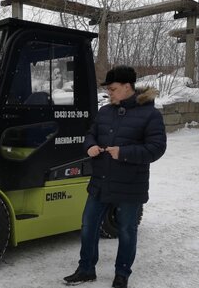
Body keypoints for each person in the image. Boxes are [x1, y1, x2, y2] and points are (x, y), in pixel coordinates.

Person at [63, 65, 167, 288]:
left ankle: (122, 274)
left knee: (127, 231)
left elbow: (156, 148)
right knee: (89, 225)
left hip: (130, 185)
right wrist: (89, 146)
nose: (109, 93)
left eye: (113, 89)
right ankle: (86, 269)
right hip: (101, 181)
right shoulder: (105, 112)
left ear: (127, 87)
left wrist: (123, 153)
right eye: (109, 90)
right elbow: (91, 133)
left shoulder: (150, 114)